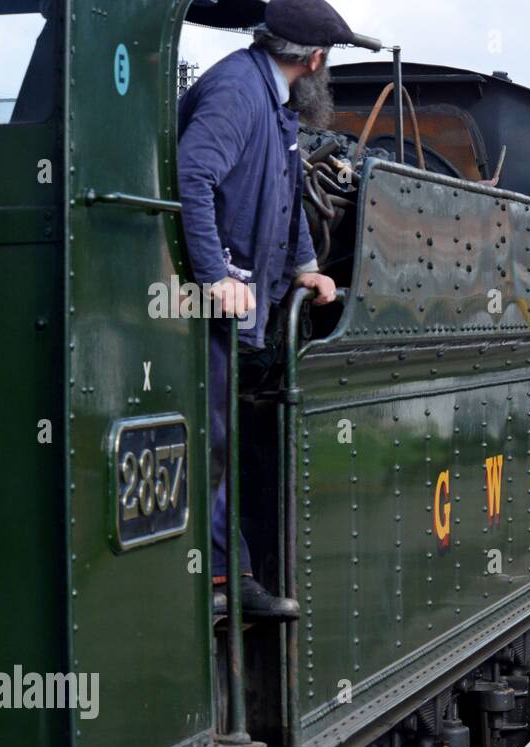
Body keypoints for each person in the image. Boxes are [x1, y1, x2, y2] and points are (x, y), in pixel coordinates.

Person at [178, 0, 354, 620]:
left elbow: (283, 193)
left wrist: (306, 267)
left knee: (226, 432)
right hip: (209, 304)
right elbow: (194, 176)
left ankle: (232, 570)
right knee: (215, 436)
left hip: (245, 302)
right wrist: (215, 275)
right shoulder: (236, 92)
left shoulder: (270, 101)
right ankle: (223, 574)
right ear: (315, 60)